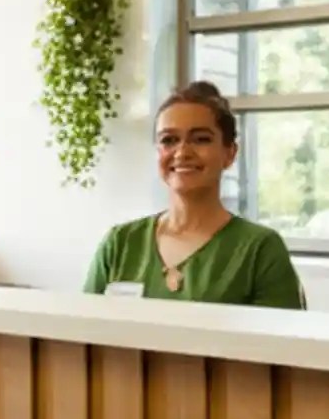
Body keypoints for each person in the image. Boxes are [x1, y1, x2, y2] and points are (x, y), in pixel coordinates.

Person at [84, 81, 303, 308]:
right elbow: (82, 332)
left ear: (229, 153)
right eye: (169, 140)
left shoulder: (260, 250)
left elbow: (279, 342)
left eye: (201, 139)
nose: (182, 152)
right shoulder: (120, 244)